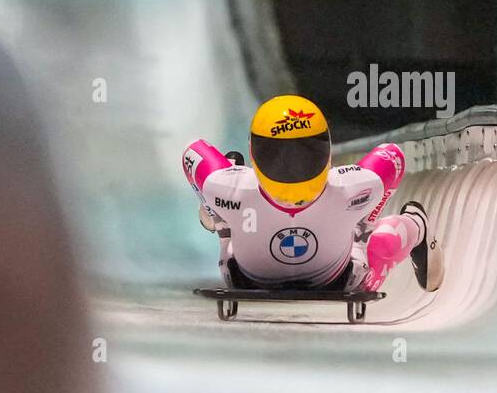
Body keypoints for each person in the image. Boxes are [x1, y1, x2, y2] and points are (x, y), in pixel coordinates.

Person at [183, 95, 444, 294]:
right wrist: (364, 221)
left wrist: (213, 200)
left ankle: (215, 215)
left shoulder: (229, 187)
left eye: (305, 152)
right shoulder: (350, 186)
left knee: (383, 241)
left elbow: (193, 151)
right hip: (343, 280)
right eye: (279, 155)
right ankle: (413, 226)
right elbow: (392, 156)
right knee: (384, 239)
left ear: (253, 152)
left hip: (247, 277)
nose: (292, 166)